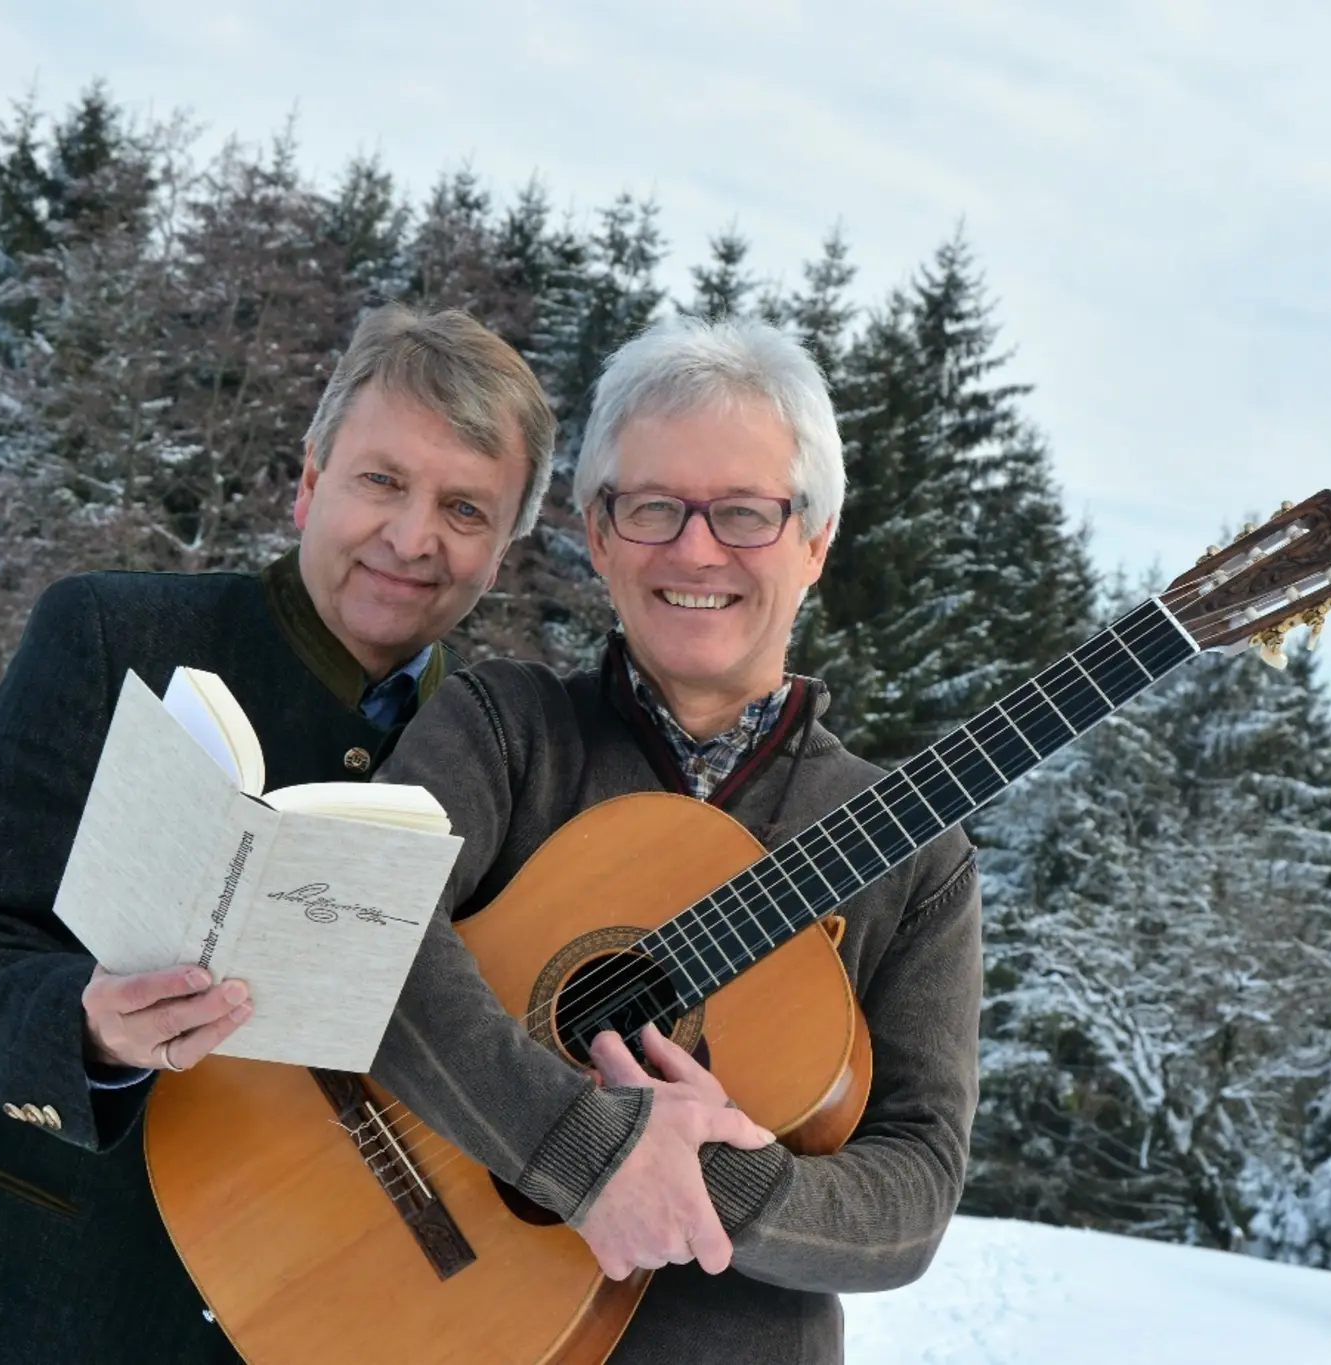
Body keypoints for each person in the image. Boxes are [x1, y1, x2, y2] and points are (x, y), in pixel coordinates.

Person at [0, 305, 759, 1364]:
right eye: (380, 482)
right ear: (309, 481)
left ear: (499, 553)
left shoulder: (499, 758)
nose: (412, 538)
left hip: (285, 1319)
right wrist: (87, 1028)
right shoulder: (108, 636)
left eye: (462, 508)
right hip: (0, 1292)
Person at [372, 317, 982, 1363]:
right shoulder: (503, 728)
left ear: (815, 542)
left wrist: (722, 1178)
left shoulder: (916, 854)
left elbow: (913, 1196)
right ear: (599, 534)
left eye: (743, 514)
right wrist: (578, 1150)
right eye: (652, 508)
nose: (694, 550)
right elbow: (366, 923)